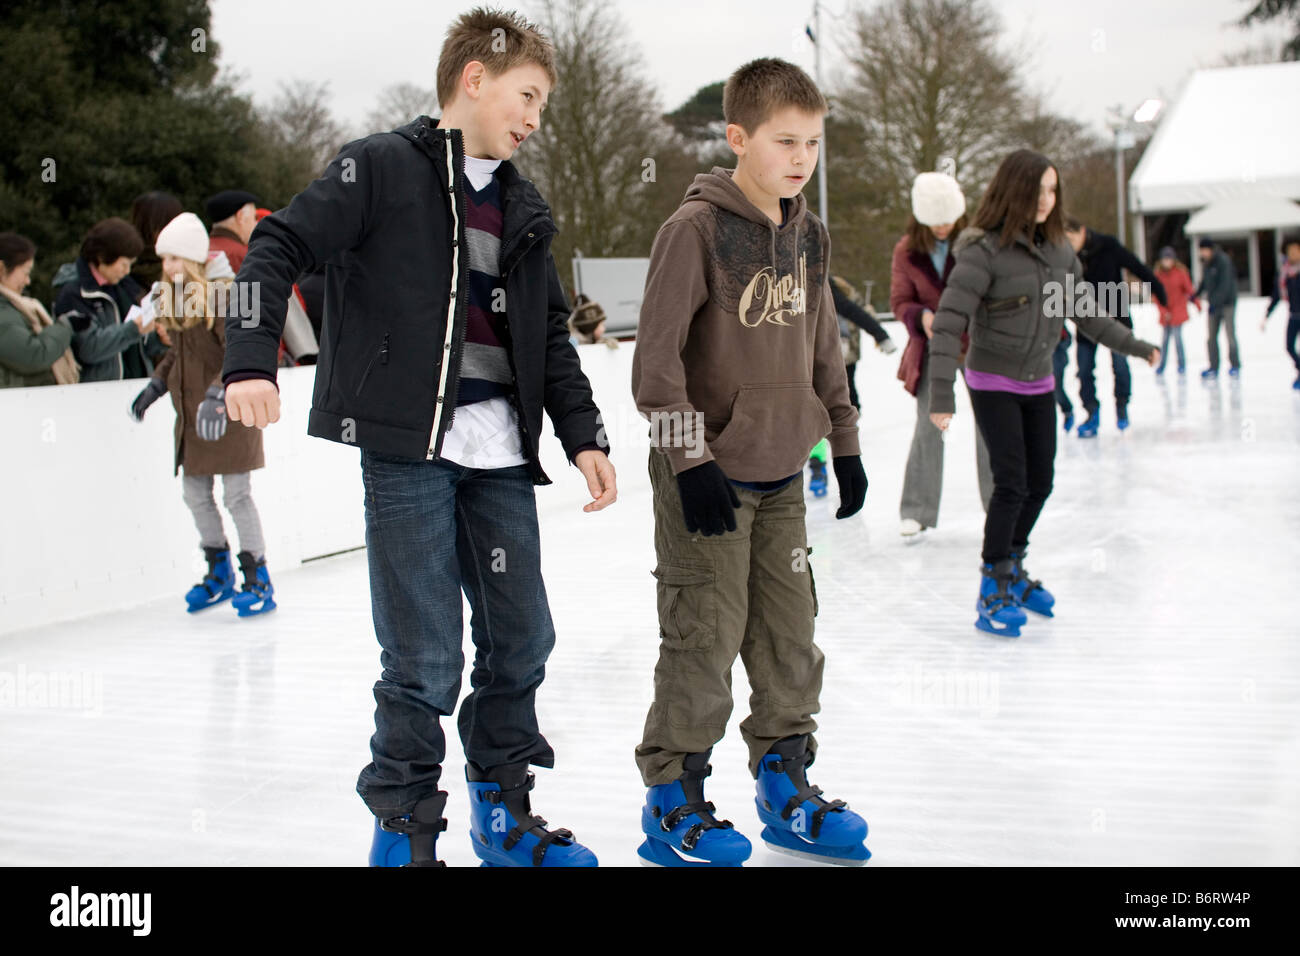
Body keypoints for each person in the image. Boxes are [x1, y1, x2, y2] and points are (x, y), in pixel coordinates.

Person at [219, 7, 615, 868]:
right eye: (528, 96)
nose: (535, 118)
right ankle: (403, 828)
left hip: (503, 455)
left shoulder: (524, 207)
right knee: (424, 655)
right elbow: (275, 246)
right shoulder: (381, 170)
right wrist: (248, 359)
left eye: (542, 104)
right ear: (474, 78)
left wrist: (583, 432)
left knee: (522, 640)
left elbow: (548, 334)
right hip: (408, 453)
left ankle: (501, 812)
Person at [631, 57, 870, 867]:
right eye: (784, 141)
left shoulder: (809, 233)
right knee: (705, 633)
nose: (801, 157)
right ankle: (674, 798)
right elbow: (653, 370)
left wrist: (844, 441)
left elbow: (824, 348)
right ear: (738, 138)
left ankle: (784, 781)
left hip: (781, 475)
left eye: (813, 141)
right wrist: (690, 460)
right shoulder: (692, 232)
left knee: (788, 633)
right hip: (706, 475)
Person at [929, 149, 1159, 637]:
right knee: (1011, 482)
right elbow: (949, 322)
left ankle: (1013, 565)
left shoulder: (1059, 254)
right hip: (992, 380)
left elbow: (1089, 316)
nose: (1046, 200)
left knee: (1042, 481)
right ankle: (993, 583)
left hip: (1039, 380)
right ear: (1015, 191)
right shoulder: (984, 251)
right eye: (1037, 191)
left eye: (1053, 191)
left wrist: (1136, 346)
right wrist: (942, 395)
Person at [127, 213, 273, 616]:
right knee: (195, 494)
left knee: (237, 495)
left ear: (191, 259)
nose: (167, 268)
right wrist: (156, 385)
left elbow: (237, 351)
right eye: (164, 261)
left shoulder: (227, 294)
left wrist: (216, 393)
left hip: (229, 410)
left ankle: (258, 577)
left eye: (173, 259)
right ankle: (218, 570)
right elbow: (179, 352)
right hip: (193, 416)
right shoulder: (177, 297)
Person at [890, 171, 993, 538]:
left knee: (991, 424)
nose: (943, 226)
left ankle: (999, 505)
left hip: (978, 345)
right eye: (935, 220)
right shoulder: (907, 251)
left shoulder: (976, 244)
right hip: (933, 348)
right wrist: (923, 317)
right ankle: (917, 509)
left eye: (948, 217)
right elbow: (900, 301)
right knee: (930, 424)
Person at [1062, 217, 1167, 435]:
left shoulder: (1108, 246)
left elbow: (1137, 266)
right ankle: (1091, 413)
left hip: (1117, 317)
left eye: (1071, 239)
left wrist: (1159, 291)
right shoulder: (1067, 257)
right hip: (1085, 320)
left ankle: (1121, 406)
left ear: (1082, 231)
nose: (1069, 244)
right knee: (1083, 370)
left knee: (1120, 367)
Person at [52, 217, 153, 382]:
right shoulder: (74, 294)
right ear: (102, 257)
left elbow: (138, 346)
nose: (127, 271)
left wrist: (157, 338)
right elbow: (88, 349)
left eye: (130, 265)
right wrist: (133, 329)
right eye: (123, 264)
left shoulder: (125, 288)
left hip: (134, 386)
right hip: (95, 393)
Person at [0, 232, 78, 387]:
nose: (27, 281)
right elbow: (33, 355)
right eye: (25, 272)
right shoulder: (3, 314)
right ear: (1, 269)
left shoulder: (15, 307)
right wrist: (65, 326)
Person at [1193, 238, 1240, 379]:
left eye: (1204, 250)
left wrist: (1215, 303)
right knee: (1211, 338)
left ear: (1210, 249)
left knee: (1230, 336)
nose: (1202, 253)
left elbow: (1225, 286)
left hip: (1227, 304)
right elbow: (1205, 282)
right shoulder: (1206, 263)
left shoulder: (1223, 261)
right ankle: (1213, 366)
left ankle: (1235, 365)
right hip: (1213, 305)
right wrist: (1196, 294)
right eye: (1201, 250)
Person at [1262, 236, 1300, 390]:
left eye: (1296, 250)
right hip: (1294, 315)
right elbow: (1277, 295)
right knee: (1289, 346)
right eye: (1290, 251)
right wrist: (1267, 314)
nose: (1293, 254)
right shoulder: (1284, 273)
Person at [1152, 246, 1196, 375]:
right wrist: (1163, 312)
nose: (1167, 262)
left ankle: (1181, 365)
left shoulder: (1180, 273)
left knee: (1177, 338)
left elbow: (1189, 289)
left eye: (1169, 259)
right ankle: (1162, 365)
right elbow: (1156, 296)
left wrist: (1197, 303)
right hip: (1166, 312)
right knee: (1165, 340)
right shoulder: (1158, 276)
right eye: (1165, 259)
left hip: (1178, 310)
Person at [205, 190, 259, 273]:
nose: (256, 223)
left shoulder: (199, 251)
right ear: (240, 216)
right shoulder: (243, 257)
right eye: (254, 217)